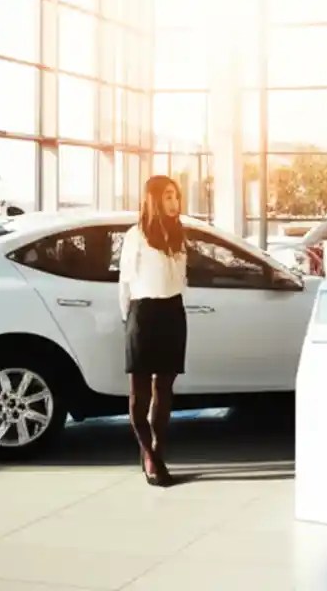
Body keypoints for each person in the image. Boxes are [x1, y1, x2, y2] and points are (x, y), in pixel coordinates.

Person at [118, 175, 188, 487]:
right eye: (169, 197)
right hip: (144, 313)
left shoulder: (179, 233)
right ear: (154, 199)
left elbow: (179, 280)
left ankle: (157, 451)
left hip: (173, 312)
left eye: (177, 196)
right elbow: (125, 282)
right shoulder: (136, 235)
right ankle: (150, 456)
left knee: (165, 389)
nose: (175, 202)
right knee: (140, 393)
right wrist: (129, 320)